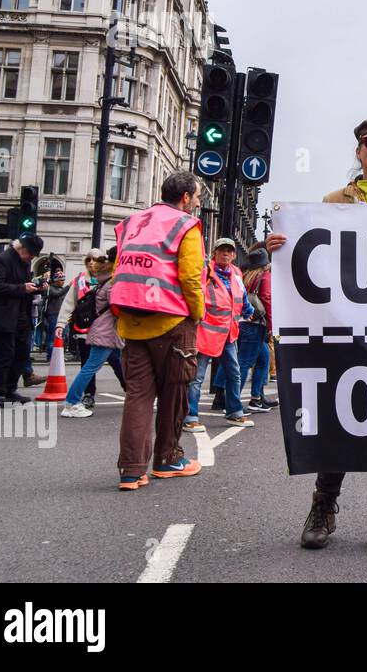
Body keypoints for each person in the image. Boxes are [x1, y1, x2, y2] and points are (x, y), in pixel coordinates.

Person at [266, 117, 367, 553]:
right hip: (343, 328)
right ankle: (323, 508)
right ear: (359, 151)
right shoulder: (332, 200)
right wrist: (281, 250)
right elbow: (314, 257)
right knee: (339, 413)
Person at [112, 172, 207, 490]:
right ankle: (168, 459)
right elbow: (191, 276)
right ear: (185, 197)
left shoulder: (132, 222)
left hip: (133, 320)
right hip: (172, 321)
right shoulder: (186, 225)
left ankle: (131, 470)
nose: (197, 203)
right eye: (196, 197)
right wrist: (197, 313)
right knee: (174, 393)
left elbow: (119, 269)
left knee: (137, 396)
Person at [186, 239, 253, 431]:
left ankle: (234, 412)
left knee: (234, 373)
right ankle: (190, 416)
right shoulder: (205, 272)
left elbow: (242, 296)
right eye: (222, 250)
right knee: (197, 377)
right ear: (215, 253)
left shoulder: (237, 273)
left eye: (229, 251)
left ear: (233, 255)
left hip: (229, 332)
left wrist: (249, 310)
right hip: (207, 332)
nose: (226, 254)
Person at [60, 247, 125, 418]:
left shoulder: (105, 279)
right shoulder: (112, 282)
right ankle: (72, 402)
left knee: (120, 366)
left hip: (105, 331)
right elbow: (117, 308)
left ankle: (136, 397)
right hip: (106, 332)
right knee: (90, 368)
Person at [0, 236, 47, 405]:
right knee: (4, 355)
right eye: (31, 254)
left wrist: (35, 288)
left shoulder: (24, 262)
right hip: (4, 315)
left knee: (22, 353)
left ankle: (11, 389)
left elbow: (24, 286)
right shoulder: (3, 259)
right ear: (23, 249)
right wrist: (22, 288)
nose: (32, 258)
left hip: (21, 315)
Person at [237, 247, 276, 413]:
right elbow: (267, 298)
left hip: (246, 322)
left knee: (263, 360)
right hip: (256, 324)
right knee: (244, 364)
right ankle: (234, 402)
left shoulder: (247, 277)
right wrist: (272, 325)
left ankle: (256, 399)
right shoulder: (265, 277)